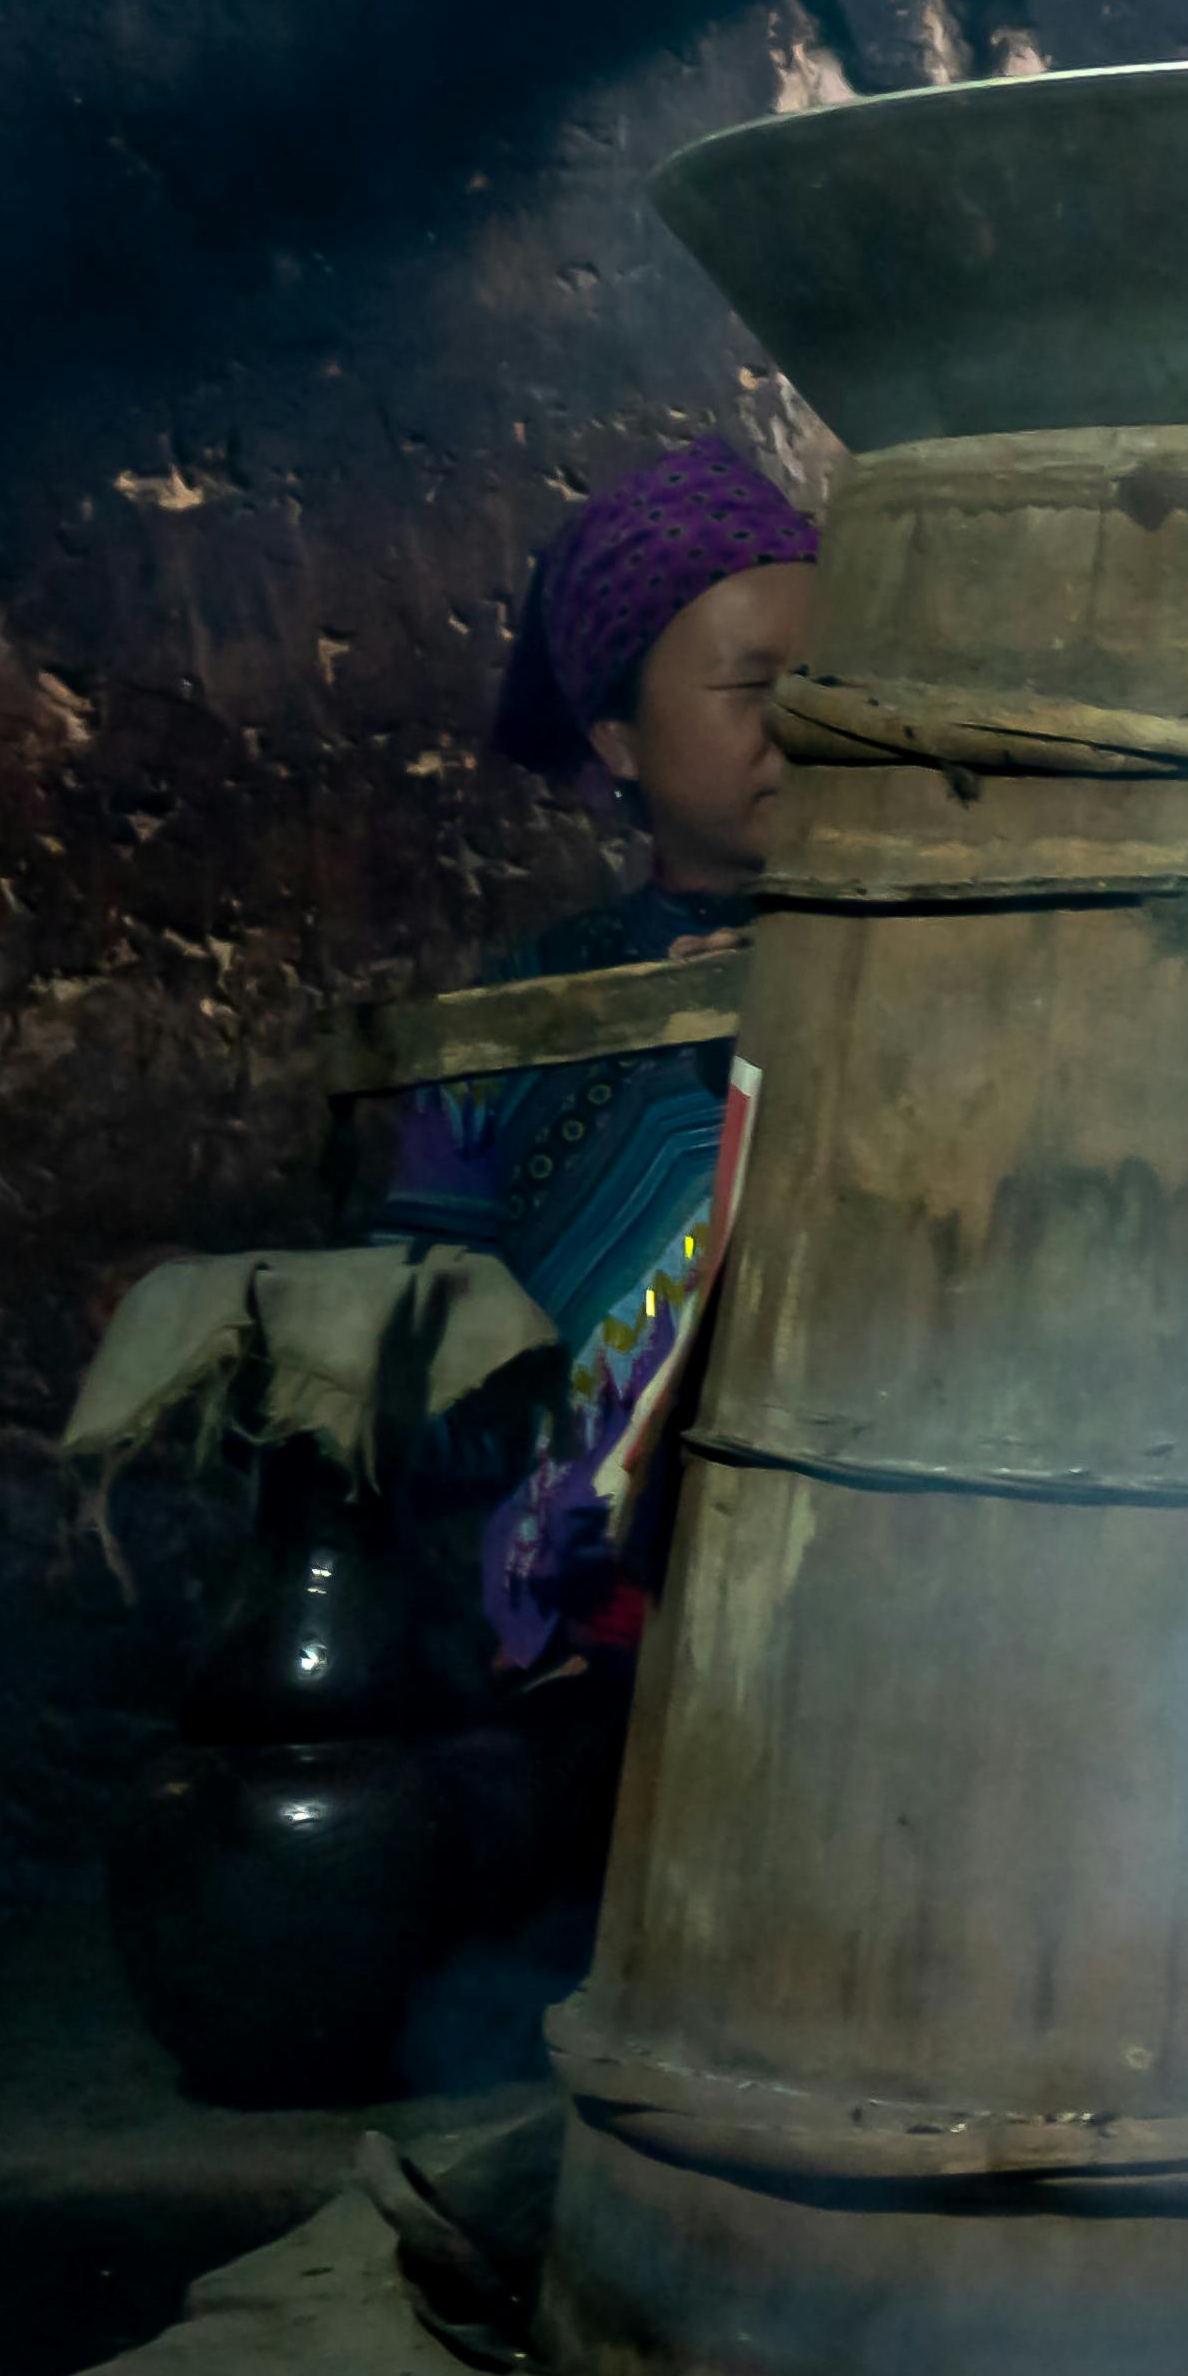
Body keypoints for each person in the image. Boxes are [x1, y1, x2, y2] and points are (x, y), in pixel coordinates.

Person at [376, 436, 815, 1698]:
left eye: (835, 678)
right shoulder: (522, 1017)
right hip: (601, 1650)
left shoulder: (935, 969)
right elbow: (418, 1402)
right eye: (752, 687)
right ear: (619, 738)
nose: (808, 724)